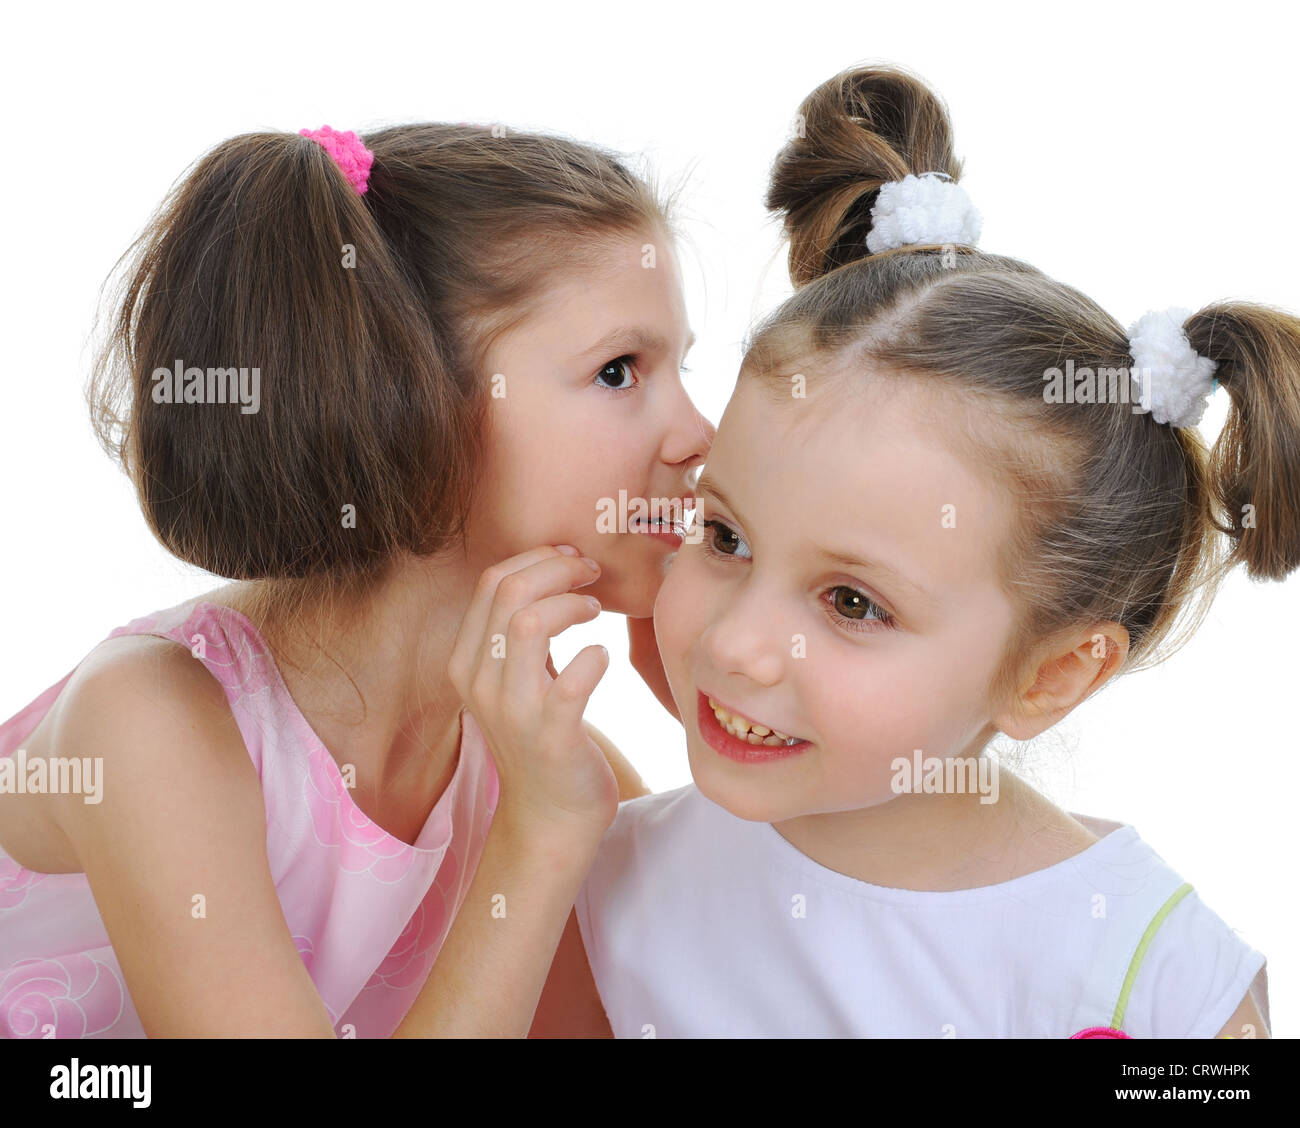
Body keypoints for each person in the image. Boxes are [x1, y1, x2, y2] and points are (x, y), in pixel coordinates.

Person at [533, 65, 1285, 1038]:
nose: (736, 645)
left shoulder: (1159, 987)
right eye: (725, 537)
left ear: (1051, 673)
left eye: (851, 604)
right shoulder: (603, 882)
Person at [0, 121, 711, 1037]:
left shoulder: (543, 770)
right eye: (620, 371)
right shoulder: (153, 725)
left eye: (681, 367)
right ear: (414, 405)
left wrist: (708, 723)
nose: (700, 432)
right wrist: (536, 842)